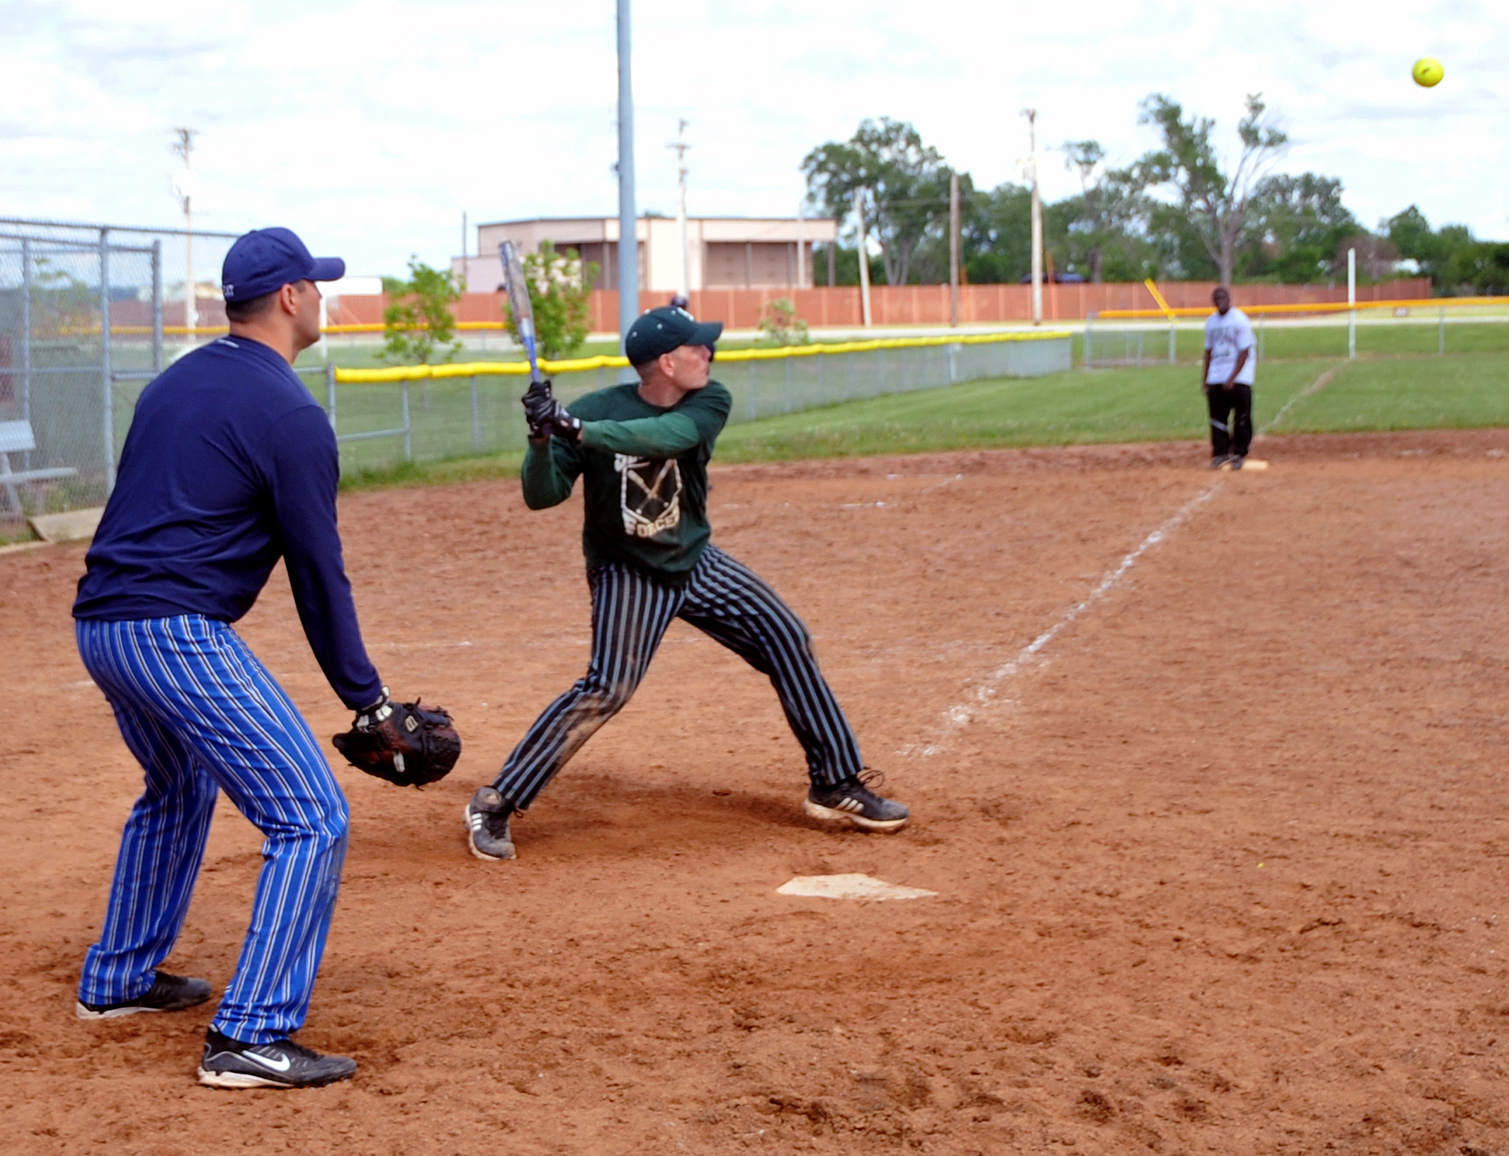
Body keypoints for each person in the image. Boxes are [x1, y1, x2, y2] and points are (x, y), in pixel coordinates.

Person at [73, 227, 395, 1089]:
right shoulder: (289, 414)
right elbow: (317, 574)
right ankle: (251, 1034)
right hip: (173, 631)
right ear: (289, 298)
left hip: (102, 624)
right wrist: (368, 699)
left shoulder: (174, 383)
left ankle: (120, 979)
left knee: (178, 785)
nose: (322, 299)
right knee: (311, 817)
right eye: (316, 287)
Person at [463, 305, 908, 861]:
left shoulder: (707, 400)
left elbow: (665, 437)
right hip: (627, 569)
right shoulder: (597, 408)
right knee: (607, 689)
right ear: (667, 362)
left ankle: (836, 782)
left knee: (786, 637)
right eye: (698, 347)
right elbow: (542, 494)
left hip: (695, 560)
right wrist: (539, 439)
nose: (709, 353)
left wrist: (578, 428)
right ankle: (497, 801)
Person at [1202, 286, 1257, 469]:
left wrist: (1232, 378)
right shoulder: (1211, 322)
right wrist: (1205, 379)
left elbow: (1244, 351)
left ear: (1229, 299)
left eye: (1223, 297)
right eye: (1216, 298)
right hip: (1216, 376)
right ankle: (1220, 453)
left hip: (1240, 376)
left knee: (1241, 416)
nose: (1220, 301)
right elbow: (1208, 351)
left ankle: (1239, 452)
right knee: (1217, 418)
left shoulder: (1239, 320)